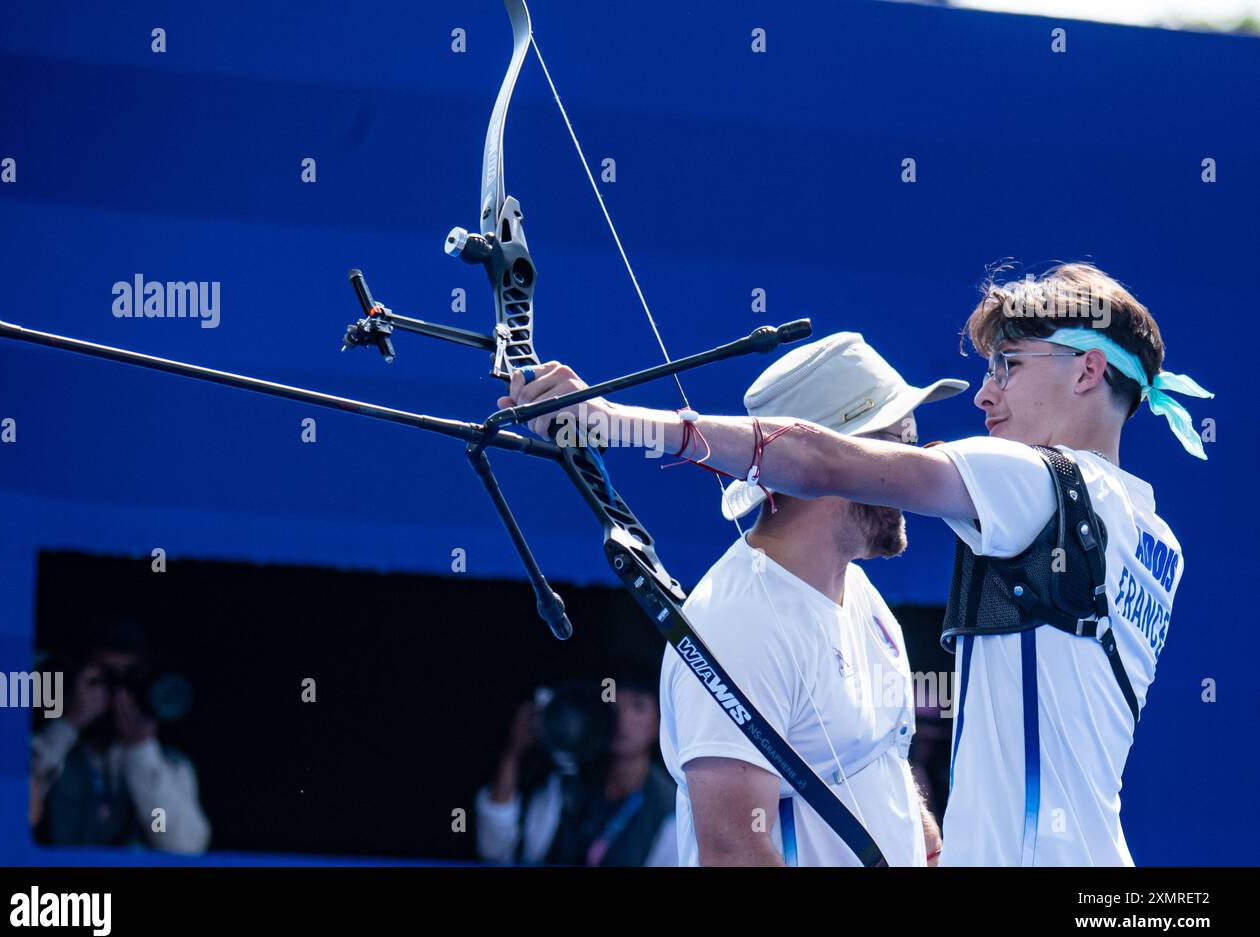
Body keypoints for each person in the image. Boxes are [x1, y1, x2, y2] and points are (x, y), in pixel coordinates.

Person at [504, 262, 1211, 867]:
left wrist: (606, 422)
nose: (988, 395)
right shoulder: (1154, 537)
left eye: (1010, 365)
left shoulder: (1040, 483)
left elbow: (820, 460)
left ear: (1088, 369)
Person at [506, 332, 967, 866]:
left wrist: (927, 845)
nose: (915, 463)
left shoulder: (857, 592)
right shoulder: (741, 624)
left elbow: (879, 757)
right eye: (901, 439)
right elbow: (733, 853)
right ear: (840, 456)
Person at [30, 623, 211, 854]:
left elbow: (180, 845)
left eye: (130, 682)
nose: (118, 696)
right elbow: (11, 818)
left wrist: (140, 749)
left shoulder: (169, 765)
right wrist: (67, 725)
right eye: (103, 680)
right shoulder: (46, 753)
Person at [475, 676, 677, 866]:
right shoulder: (565, 782)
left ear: (659, 720)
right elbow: (495, 852)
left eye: (638, 706)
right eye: (612, 705)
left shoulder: (671, 807)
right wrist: (513, 754)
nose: (622, 718)